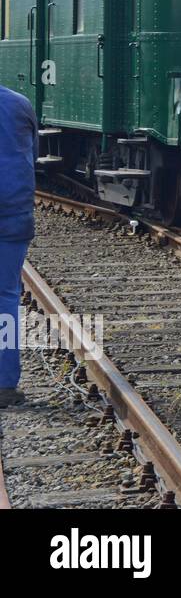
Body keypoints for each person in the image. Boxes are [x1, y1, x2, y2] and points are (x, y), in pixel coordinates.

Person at [0, 83, 38, 407]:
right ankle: (5, 384)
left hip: (13, 217)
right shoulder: (21, 104)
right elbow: (31, 156)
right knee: (6, 297)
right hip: (14, 217)